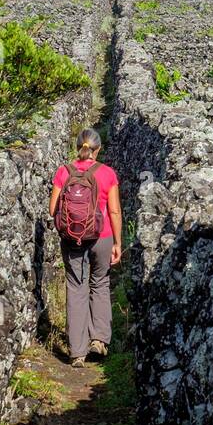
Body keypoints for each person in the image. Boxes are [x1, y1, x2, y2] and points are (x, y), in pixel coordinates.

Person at [48, 128, 122, 366]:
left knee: (76, 288)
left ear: (77, 146)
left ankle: (77, 352)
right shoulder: (107, 174)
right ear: (97, 149)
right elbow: (114, 211)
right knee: (100, 283)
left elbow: (53, 210)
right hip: (102, 236)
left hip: (72, 239)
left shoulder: (64, 172)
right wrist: (118, 242)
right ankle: (99, 339)